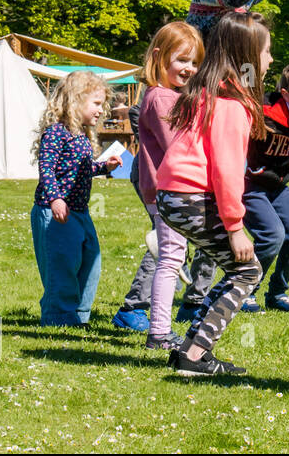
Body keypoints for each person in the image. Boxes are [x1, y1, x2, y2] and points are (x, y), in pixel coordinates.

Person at [156, 12, 271, 376]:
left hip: (173, 194)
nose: (270, 60)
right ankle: (194, 355)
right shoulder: (231, 105)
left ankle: (189, 348)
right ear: (248, 56)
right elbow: (226, 170)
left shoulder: (208, 92)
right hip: (191, 196)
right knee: (247, 271)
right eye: (266, 52)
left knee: (239, 270)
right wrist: (235, 227)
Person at [198, 61, 289, 315]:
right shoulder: (264, 116)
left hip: (278, 187)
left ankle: (278, 292)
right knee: (272, 235)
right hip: (250, 185)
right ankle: (245, 291)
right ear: (286, 95)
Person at [113, 22, 203, 346]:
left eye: (195, 62)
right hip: (169, 190)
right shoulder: (162, 98)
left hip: (171, 189)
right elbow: (177, 145)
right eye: (182, 60)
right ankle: (159, 331)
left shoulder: (168, 95)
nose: (190, 68)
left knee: (172, 255)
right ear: (159, 56)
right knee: (170, 258)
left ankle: (164, 325)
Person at [31, 72, 122, 327]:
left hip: (79, 211)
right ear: (75, 101)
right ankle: (58, 316)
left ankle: (79, 315)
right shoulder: (56, 133)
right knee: (62, 265)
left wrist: (104, 167)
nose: (101, 110)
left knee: (91, 261)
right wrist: (55, 199)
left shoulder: (81, 134)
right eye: (96, 103)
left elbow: (79, 169)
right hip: (57, 212)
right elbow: (46, 168)